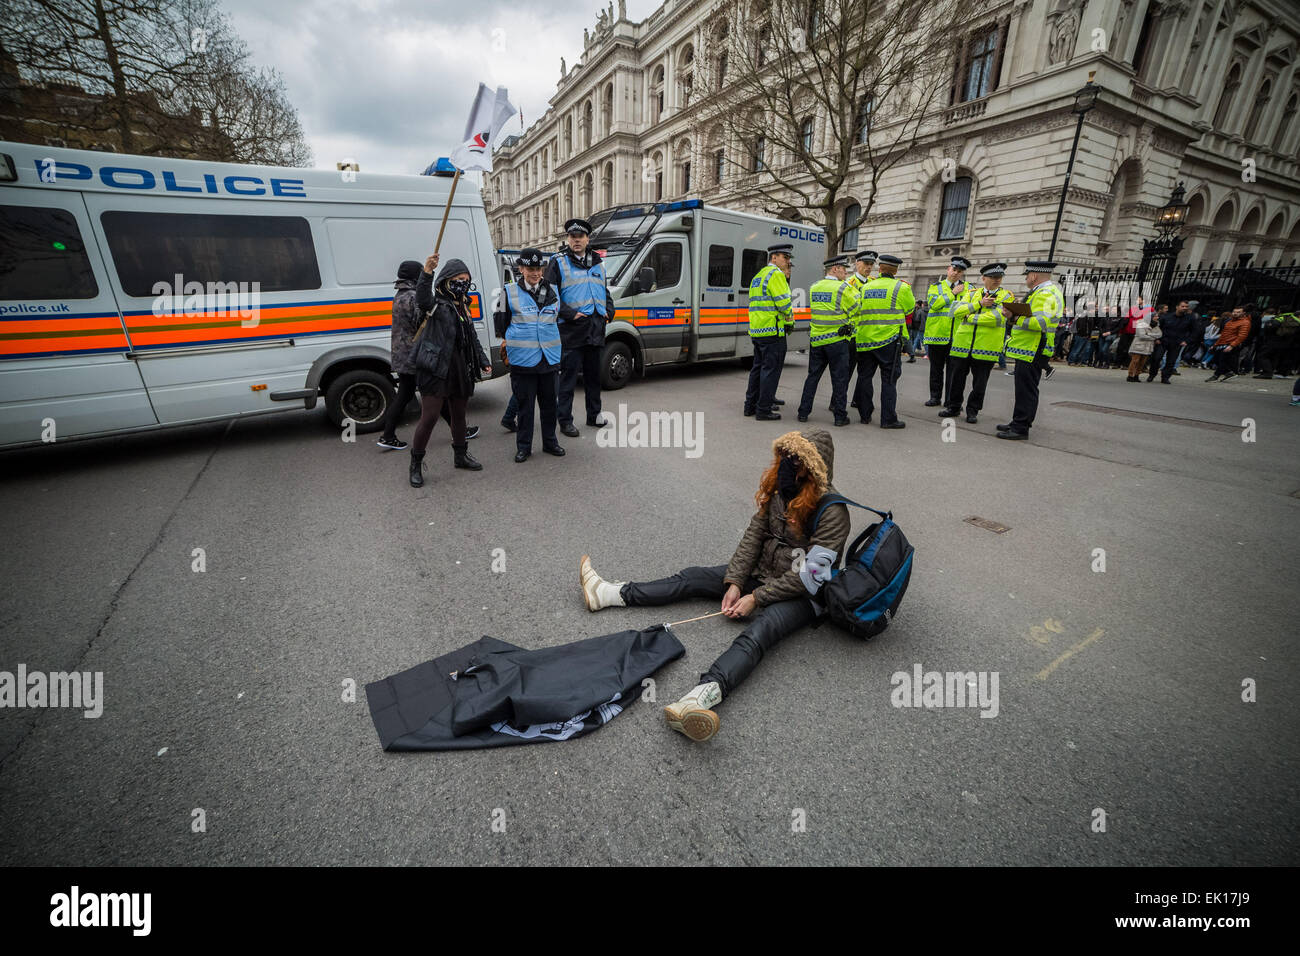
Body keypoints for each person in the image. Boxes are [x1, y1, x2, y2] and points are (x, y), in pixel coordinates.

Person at [578, 429, 851, 742]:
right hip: (763, 572)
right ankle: (610, 594)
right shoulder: (781, 488)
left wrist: (756, 598)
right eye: (787, 456)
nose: (789, 464)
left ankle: (699, 699)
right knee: (692, 578)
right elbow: (754, 535)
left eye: (798, 460)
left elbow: (810, 577)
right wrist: (735, 582)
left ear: (814, 468)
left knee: (761, 631)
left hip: (804, 594)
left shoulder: (833, 512)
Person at [407, 255, 492, 485]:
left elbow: (471, 336)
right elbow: (422, 298)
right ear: (445, 281)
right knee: (430, 417)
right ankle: (415, 464)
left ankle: (461, 455)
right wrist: (426, 272)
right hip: (435, 367)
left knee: (459, 415)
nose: (462, 283)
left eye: (465, 280)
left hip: (460, 367)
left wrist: (483, 359)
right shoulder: (436, 304)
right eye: (457, 279)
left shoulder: (464, 305)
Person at [378, 259, 479, 450]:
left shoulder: (400, 295)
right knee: (426, 399)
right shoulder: (412, 297)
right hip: (418, 356)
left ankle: (458, 431)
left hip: (404, 353)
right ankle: (389, 435)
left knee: (427, 397)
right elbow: (423, 317)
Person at [495, 248, 565, 462]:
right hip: (523, 362)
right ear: (521, 269)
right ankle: (523, 447)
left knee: (550, 406)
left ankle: (550, 442)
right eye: (530, 269)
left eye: (538, 269)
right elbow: (501, 324)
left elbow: (557, 320)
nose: (535, 273)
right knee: (525, 408)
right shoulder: (509, 292)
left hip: (549, 360)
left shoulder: (552, 290)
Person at [550, 218, 614, 437]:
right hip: (572, 328)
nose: (576, 241)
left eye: (580, 237)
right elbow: (551, 295)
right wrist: (570, 314)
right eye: (572, 237)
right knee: (568, 379)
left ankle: (594, 414)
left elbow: (604, 292)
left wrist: (609, 311)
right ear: (568, 239)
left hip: (595, 327)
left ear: (588, 239)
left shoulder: (598, 263)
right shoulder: (558, 261)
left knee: (593, 376)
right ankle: (565, 421)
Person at [997, 260, 1063, 441]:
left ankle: (1021, 427)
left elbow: (1039, 323)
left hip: (1034, 348)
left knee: (1026, 390)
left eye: (1027, 275)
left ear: (1033, 275)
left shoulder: (1046, 294)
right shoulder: (1041, 292)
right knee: (1023, 389)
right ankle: (1017, 421)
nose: (1026, 278)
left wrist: (1014, 317)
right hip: (1028, 348)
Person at [943, 262, 1014, 424]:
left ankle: (972, 410)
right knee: (956, 379)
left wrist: (970, 317)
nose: (997, 280)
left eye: (999, 277)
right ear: (983, 278)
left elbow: (997, 318)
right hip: (962, 345)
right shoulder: (972, 293)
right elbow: (955, 312)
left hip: (986, 347)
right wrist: (979, 304)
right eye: (993, 277)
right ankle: (953, 407)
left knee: (980, 383)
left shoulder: (1006, 296)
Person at [853, 253, 913, 429]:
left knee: (864, 377)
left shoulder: (866, 287)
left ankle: (865, 415)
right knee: (889, 381)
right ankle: (888, 419)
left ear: (880, 268)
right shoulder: (901, 288)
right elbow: (909, 309)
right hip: (889, 341)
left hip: (864, 339)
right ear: (895, 270)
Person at [797, 254, 858, 426]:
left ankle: (803, 412)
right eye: (844, 269)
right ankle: (840, 417)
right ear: (835, 269)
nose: (846, 273)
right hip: (837, 342)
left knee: (812, 377)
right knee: (839, 380)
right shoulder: (843, 288)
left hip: (817, 340)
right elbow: (856, 309)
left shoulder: (815, 287)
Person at [744, 243, 795, 421]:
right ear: (774, 257)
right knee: (770, 371)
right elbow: (784, 303)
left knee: (757, 369)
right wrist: (790, 319)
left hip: (758, 330)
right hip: (773, 330)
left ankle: (750, 405)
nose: (787, 261)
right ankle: (763, 409)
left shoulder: (759, 275)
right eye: (785, 257)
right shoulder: (776, 275)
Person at [923, 256, 970, 406]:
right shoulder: (935, 286)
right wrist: (952, 293)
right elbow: (934, 304)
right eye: (954, 269)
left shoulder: (969, 288)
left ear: (962, 273)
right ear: (948, 269)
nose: (956, 273)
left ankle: (950, 400)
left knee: (954, 372)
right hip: (937, 335)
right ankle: (935, 397)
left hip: (957, 336)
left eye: (959, 271)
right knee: (936, 370)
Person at [843, 250, 876, 409]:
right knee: (846, 371)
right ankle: (837, 401)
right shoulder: (849, 283)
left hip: (869, 335)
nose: (869, 267)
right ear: (857, 263)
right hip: (853, 335)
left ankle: (857, 400)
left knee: (865, 372)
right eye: (866, 264)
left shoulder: (874, 282)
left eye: (871, 264)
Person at [1147, 300, 1193, 383]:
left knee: (1171, 361)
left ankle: (1165, 377)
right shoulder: (1166, 316)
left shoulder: (1190, 319)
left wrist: (1186, 341)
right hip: (1162, 341)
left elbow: (1194, 331)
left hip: (1177, 342)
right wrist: (1156, 338)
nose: (1184, 308)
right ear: (1177, 307)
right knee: (1156, 358)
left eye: (1186, 307)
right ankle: (1152, 375)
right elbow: (1157, 327)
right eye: (1182, 306)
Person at [1205, 306, 1251, 382]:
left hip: (1230, 344)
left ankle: (1216, 376)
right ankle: (1229, 373)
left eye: (1238, 312)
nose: (1235, 313)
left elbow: (1242, 336)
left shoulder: (1245, 322)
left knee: (1222, 361)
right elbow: (1223, 335)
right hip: (1222, 343)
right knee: (1216, 360)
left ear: (1243, 313)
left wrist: (1232, 345)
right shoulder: (1229, 321)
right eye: (1234, 312)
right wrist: (1215, 345)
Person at [1126, 307, 1161, 381]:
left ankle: (1136, 375)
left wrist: (1148, 334)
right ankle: (1130, 375)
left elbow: (1160, 334)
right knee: (1135, 361)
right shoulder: (1141, 323)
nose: (1157, 317)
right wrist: (1153, 337)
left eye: (1157, 316)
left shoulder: (1156, 325)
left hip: (1148, 346)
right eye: (1156, 316)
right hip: (1138, 345)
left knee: (1142, 363)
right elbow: (1141, 335)